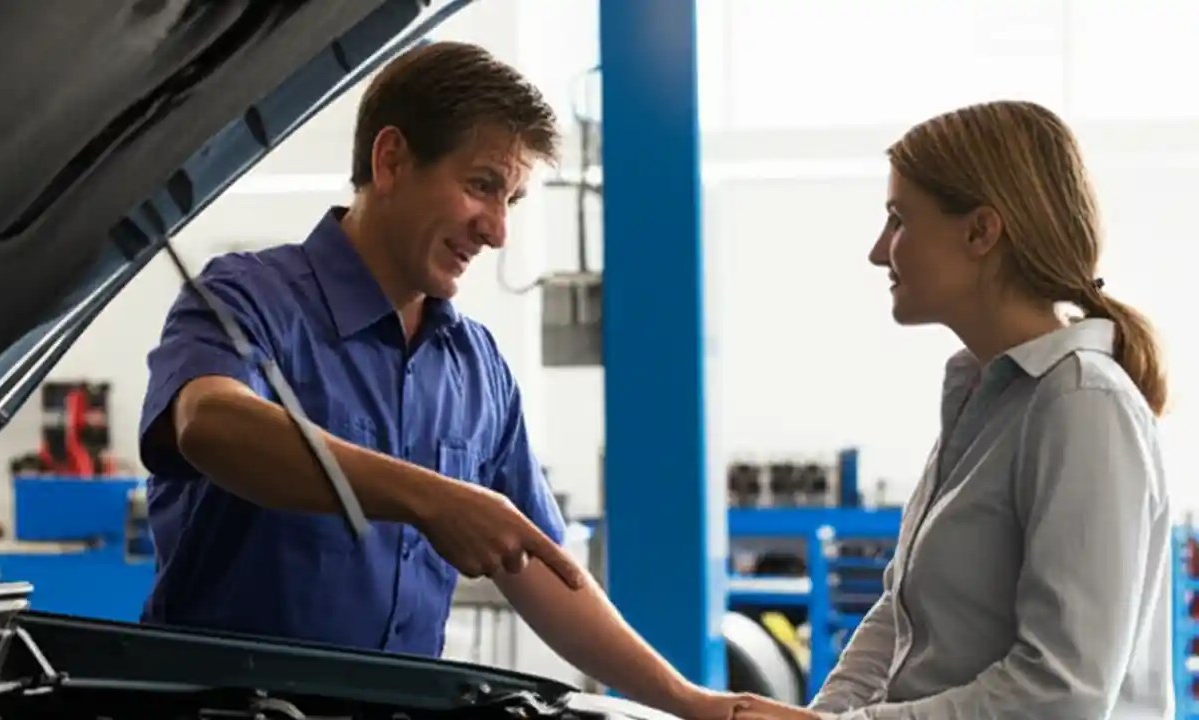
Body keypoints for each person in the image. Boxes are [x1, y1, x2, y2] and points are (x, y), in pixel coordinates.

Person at [136, 40, 748, 720]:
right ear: (391, 159)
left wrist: (691, 702)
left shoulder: (477, 368)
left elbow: (540, 568)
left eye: (511, 198)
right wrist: (430, 499)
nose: (497, 230)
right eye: (483, 185)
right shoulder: (249, 298)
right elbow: (210, 426)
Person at [737, 100, 1173, 719]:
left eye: (898, 220)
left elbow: (1062, 693)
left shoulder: (1081, 406)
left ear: (980, 231)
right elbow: (899, 615)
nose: (878, 251)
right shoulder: (985, 394)